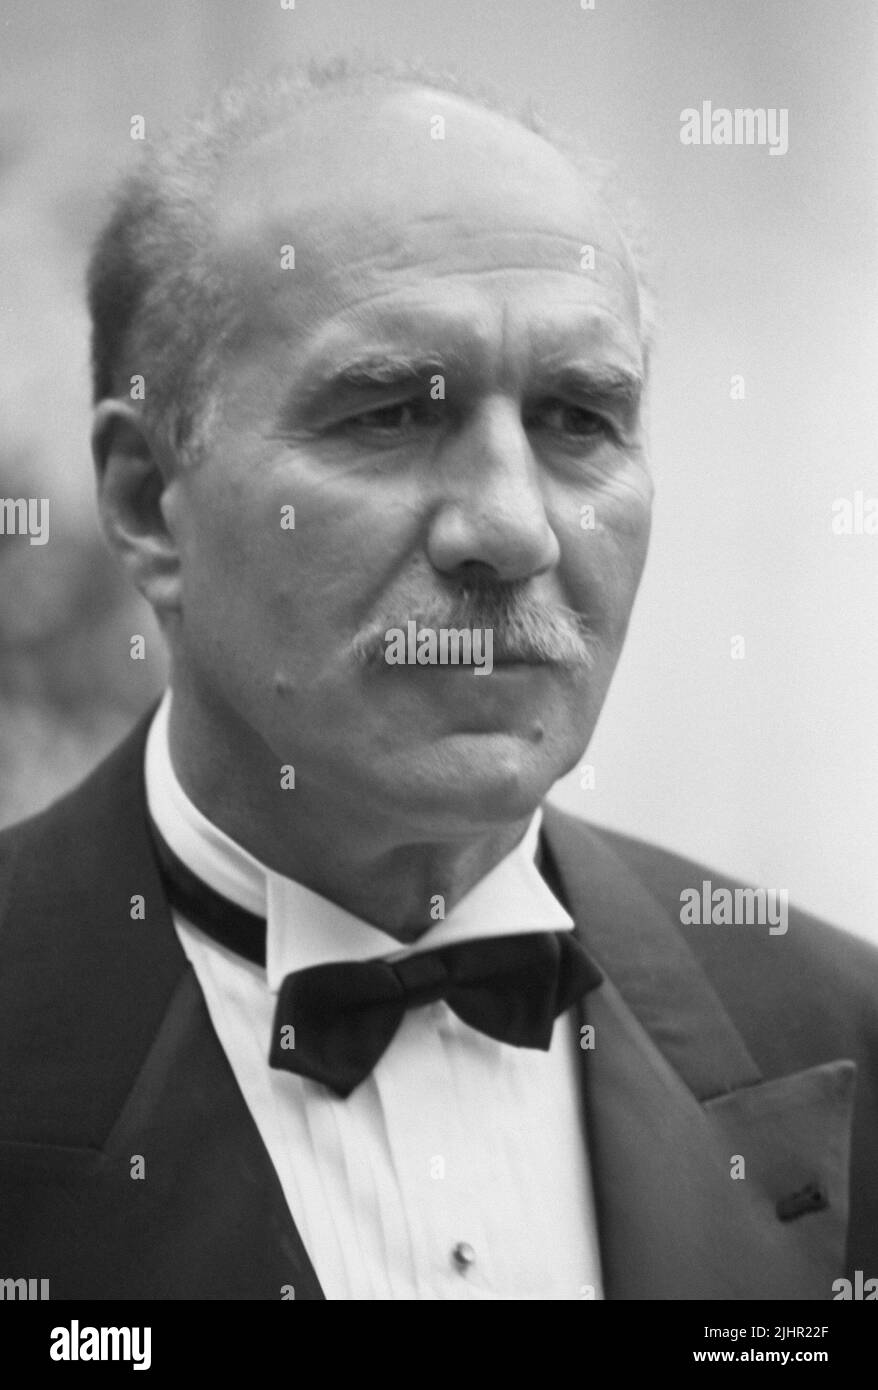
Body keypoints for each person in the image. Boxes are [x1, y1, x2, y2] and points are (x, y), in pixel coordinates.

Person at [0, 59, 875, 1301]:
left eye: (578, 418)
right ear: (149, 504)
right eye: (390, 416)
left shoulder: (834, 1034)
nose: (511, 529)